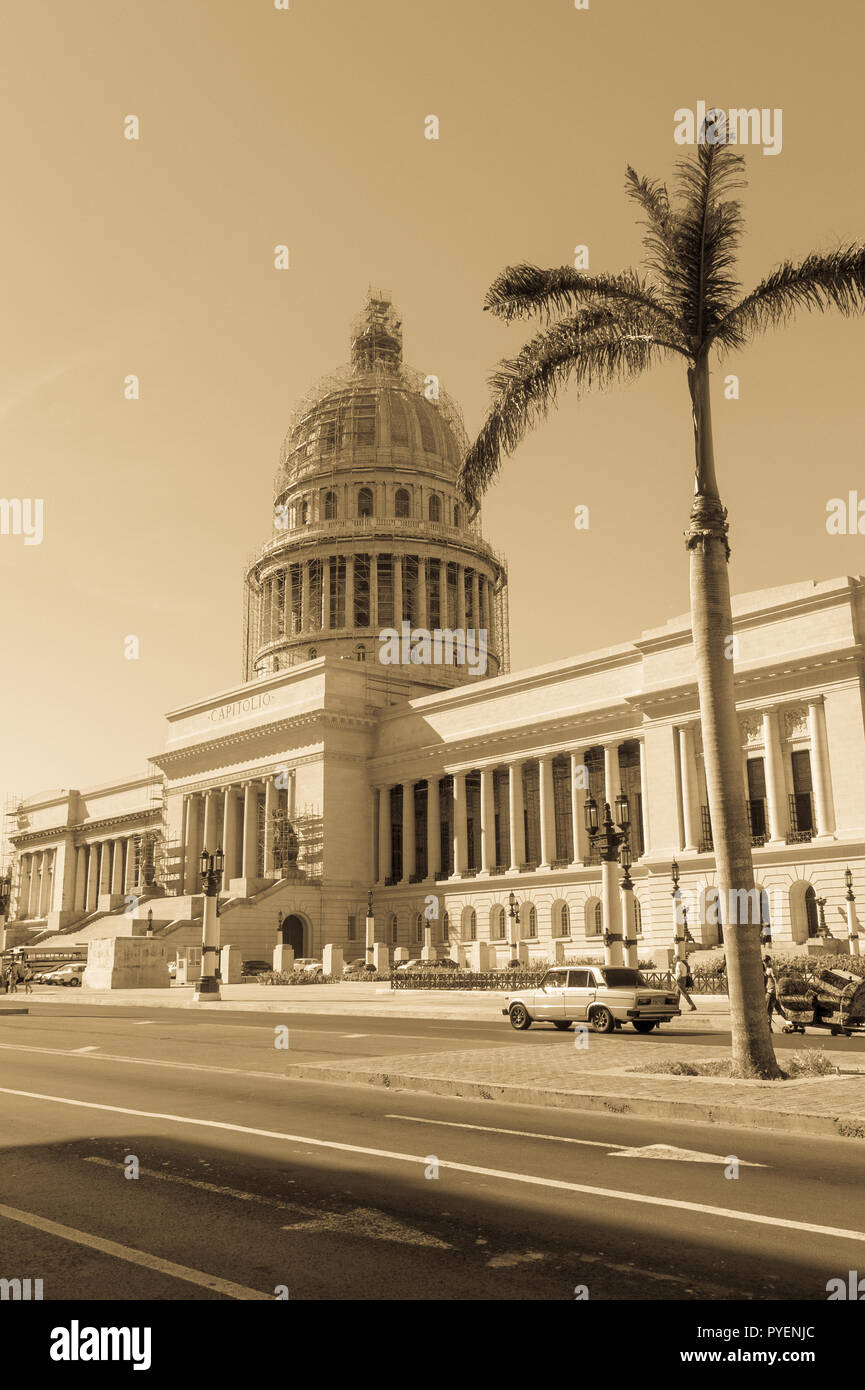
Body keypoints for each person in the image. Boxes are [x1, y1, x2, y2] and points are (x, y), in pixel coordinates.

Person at [764, 955, 782, 1031]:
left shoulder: (771, 969)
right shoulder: (767, 969)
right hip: (770, 992)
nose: (765, 963)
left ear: (769, 960)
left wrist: (777, 992)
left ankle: (769, 1028)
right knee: (778, 1010)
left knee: (768, 1010)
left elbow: (776, 980)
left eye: (766, 961)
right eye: (764, 961)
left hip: (771, 992)